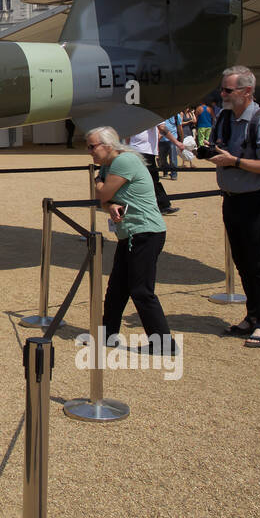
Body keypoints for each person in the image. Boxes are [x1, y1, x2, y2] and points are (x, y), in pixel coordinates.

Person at [205, 65, 260, 348]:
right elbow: (220, 149)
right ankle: (252, 316)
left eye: (228, 90)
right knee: (241, 260)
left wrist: (234, 162)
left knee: (258, 261)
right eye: (222, 89)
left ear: (246, 92)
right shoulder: (224, 117)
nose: (222, 94)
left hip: (258, 199)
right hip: (232, 198)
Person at [86, 126, 175, 353]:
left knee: (141, 290)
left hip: (145, 232)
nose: (90, 152)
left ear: (108, 146)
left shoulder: (123, 163)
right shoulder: (108, 166)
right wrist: (110, 203)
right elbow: (106, 201)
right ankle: (107, 334)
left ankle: (164, 343)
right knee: (117, 288)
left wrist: (98, 184)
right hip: (131, 233)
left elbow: (102, 194)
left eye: (92, 146)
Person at [128, 124, 179, 215]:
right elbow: (162, 128)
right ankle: (163, 205)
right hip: (144, 151)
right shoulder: (154, 112)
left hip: (137, 149)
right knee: (152, 179)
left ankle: (161, 205)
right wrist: (176, 142)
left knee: (139, 179)